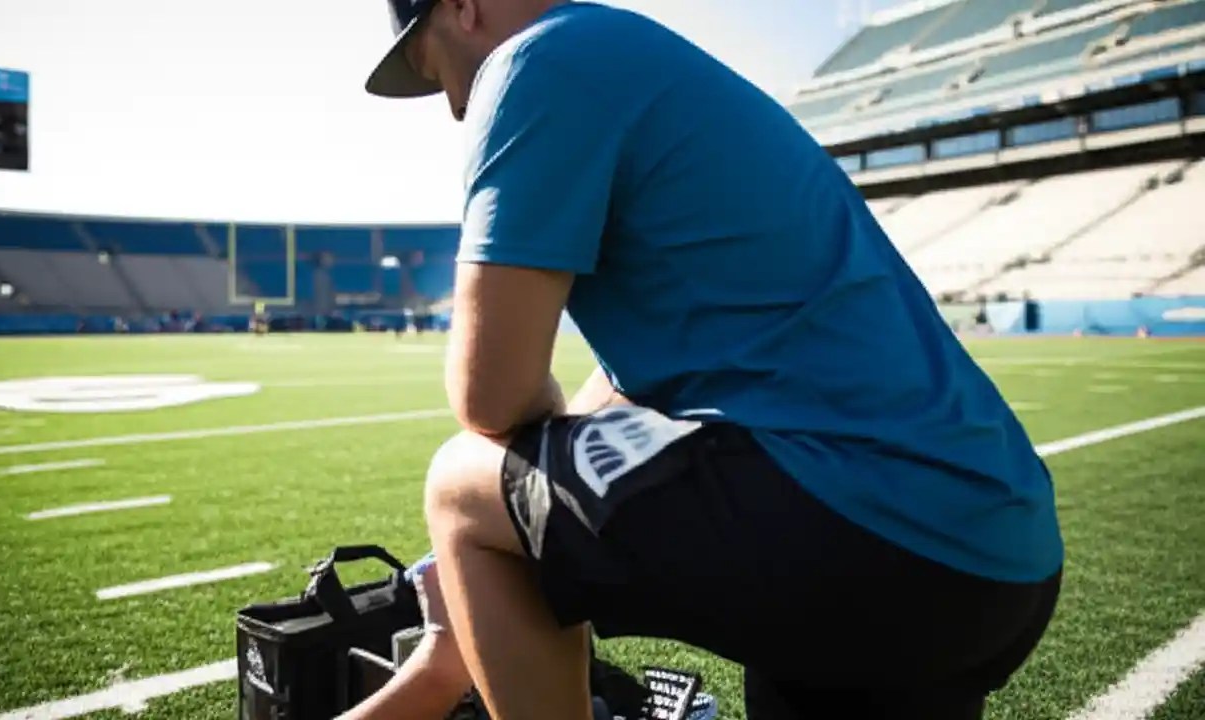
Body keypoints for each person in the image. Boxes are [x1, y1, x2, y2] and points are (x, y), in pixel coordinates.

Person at [361, 1, 1065, 718]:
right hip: (1002, 551)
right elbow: (634, 382)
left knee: (461, 487)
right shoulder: (633, 58)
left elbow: (488, 395)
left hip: (863, 525)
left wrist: (508, 523)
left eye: (435, 69)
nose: (454, 105)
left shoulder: (533, 61)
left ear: (464, 7)